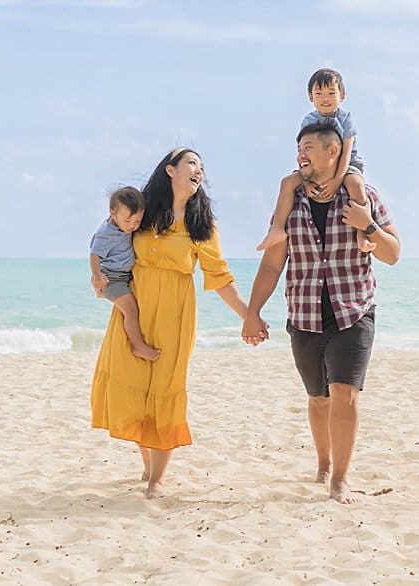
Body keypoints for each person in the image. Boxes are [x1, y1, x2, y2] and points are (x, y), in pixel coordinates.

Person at [242, 118, 401, 504]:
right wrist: (252, 311)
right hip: (305, 313)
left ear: (334, 151)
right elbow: (272, 264)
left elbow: (392, 253)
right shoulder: (290, 205)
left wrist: (369, 228)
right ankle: (324, 464)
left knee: (344, 394)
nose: (301, 154)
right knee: (318, 398)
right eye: (299, 148)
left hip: (354, 310)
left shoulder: (363, 197)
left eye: (309, 147)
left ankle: (340, 481)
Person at [91, 147, 250, 498]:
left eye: (202, 167)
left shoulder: (201, 223)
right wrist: (99, 273)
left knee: (164, 390)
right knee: (134, 389)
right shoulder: (144, 210)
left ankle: (157, 479)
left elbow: (219, 276)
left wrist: (248, 314)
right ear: (170, 170)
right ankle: (149, 467)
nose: (199, 170)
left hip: (175, 314)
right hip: (134, 306)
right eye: (192, 163)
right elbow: (109, 232)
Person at [257, 68, 374, 254]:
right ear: (310, 96)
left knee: (356, 185)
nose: (325, 98)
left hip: (347, 163)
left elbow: (346, 151)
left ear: (342, 95)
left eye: (331, 93)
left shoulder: (346, 119)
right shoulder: (308, 120)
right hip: (315, 166)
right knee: (287, 182)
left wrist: (337, 179)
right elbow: (304, 152)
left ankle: (362, 233)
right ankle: (277, 229)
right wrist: (306, 179)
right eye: (319, 93)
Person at [89, 186, 158, 361]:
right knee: (131, 311)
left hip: (122, 277)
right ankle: (138, 346)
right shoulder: (106, 233)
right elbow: (94, 255)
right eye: (128, 221)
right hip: (111, 279)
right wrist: (97, 275)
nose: (133, 226)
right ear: (112, 213)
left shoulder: (124, 224)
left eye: (137, 221)